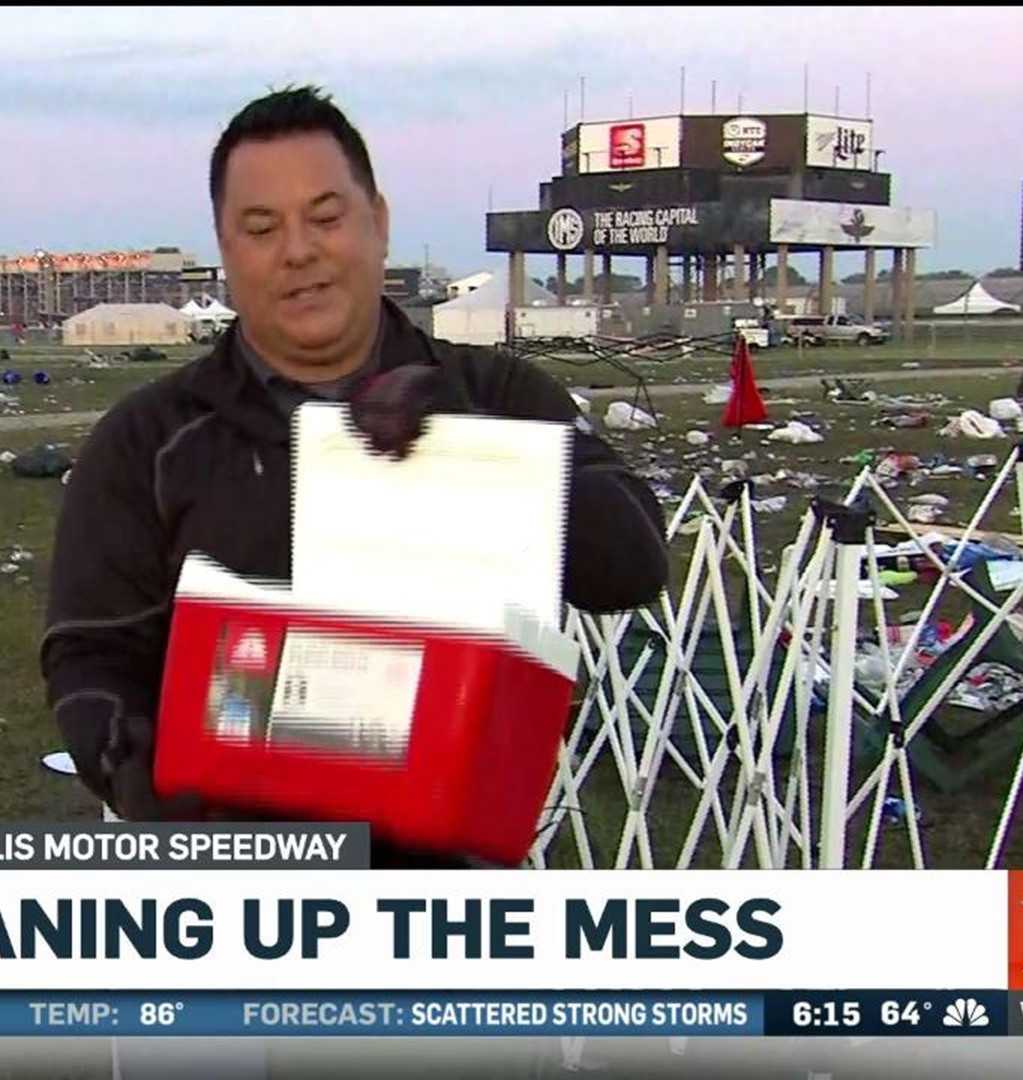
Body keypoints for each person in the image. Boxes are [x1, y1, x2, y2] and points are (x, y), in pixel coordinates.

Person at [41, 85, 669, 862]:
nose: (298, 251)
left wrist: (475, 452)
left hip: (451, 891)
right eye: (261, 229)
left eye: (326, 217)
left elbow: (633, 566)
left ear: (380, 222)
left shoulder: (494, 394)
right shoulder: (148, 441)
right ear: (226, 252)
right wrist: (169, 804)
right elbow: (89, 657)